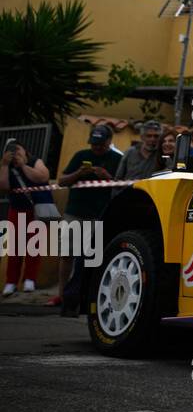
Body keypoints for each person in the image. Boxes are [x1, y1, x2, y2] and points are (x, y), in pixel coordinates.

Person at [56, 124, 123, 316]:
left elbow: (122, 186)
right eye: (94, 144)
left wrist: (107, 177)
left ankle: (85, 298)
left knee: (91, 259)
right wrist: (79, 174)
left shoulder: (117, 159)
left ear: (109, 142)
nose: (97, 148)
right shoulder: (80, 155)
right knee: (68, 255)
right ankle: (62, 296)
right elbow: (61, 181)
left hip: (100, 215)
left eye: (101, 144)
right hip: (75, 211)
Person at [1, 140, 51, 296]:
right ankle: (11, 282)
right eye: (11, 150)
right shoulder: (6, 166)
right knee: (15, 247)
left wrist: (23, 165)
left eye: (18, 150)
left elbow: (43, 177)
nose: (15, 153)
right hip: (17, 208)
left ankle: (30, 279)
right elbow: (3, 188)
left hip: (38, 208)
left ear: (25, 150)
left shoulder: (35, 161)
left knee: (34, 245)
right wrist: (4, 165)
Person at [116, 119, 164, 186]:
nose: (152, 139)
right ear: (142, 137)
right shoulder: (130, 152)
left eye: (156, 136)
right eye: (149, 136)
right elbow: (118, 177)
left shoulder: (162, 156)